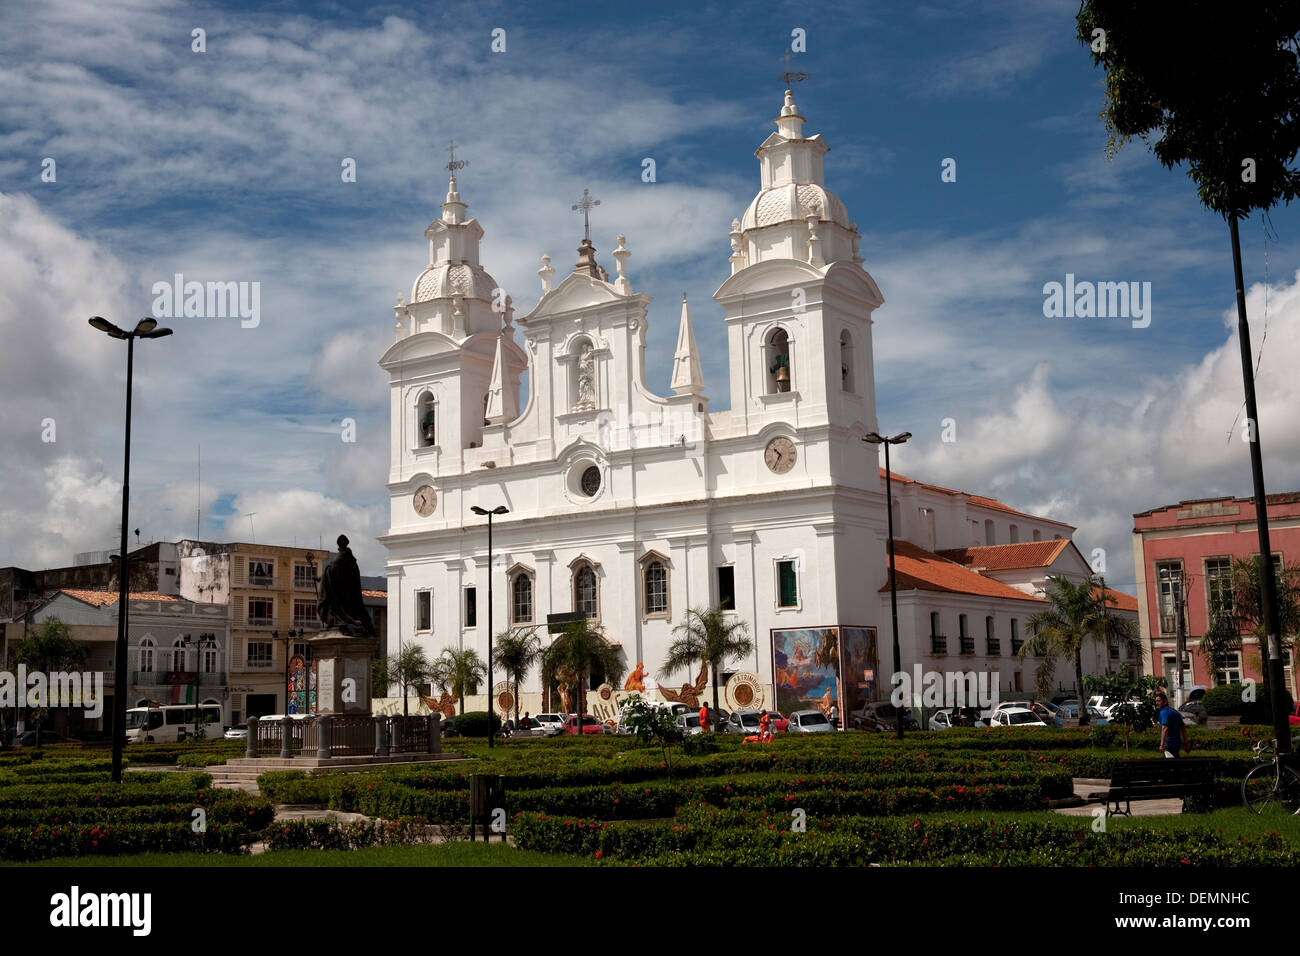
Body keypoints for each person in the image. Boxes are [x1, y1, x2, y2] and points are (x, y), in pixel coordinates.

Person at [1156, 691, 1189, 758]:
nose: (1156, 703)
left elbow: (1165, 728)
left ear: (1165, 701)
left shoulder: (1164, 712)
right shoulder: (1175, 712)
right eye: (1156, 701)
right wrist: (1185, 743)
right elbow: (1183, 728)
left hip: (1168, 744)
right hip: (1177, 744)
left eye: (1159, 701)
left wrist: (1161, 745)